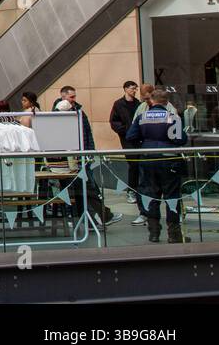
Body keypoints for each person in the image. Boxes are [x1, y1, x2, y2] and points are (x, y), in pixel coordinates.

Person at [126, 88, 187, 243]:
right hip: (169, 160)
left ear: (151, 101)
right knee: (172, 197)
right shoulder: (172, 117)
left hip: (148, 160)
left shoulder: (142, 117)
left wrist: (143, 144)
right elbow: (181, 140)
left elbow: (130, 136)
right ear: (166, 102)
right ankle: (174, 235)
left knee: (150, 195)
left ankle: (154, 233)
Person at [54, 85, 120, 228]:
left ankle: (95, 219)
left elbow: (87, 132)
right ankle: (101, 216)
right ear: (63, 96)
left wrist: (90, 151)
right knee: (85, 189)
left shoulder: (79, 112)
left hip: (82, 156)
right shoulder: (58, 112)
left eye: (74, 96)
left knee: (86, 189)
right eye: (71, 97)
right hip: (69, 160)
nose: (73, 99)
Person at [110, 80, 141, 210]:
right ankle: (131, 191)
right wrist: (124, 131)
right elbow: (113, 121)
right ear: (126, 89)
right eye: (132, 88)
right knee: (133, 164)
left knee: (140, 164)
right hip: (127, 139)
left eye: (135, 88)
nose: (134, 91)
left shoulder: (138, 104)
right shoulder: (118, 104)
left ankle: (139, 190)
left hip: (139, 138)